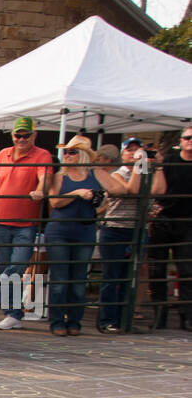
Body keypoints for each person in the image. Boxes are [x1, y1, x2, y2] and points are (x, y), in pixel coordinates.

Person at [0, 117, 52, 330]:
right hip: (2, 220)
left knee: (18, 265)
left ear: (34, 135)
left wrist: (40, 190)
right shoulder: (3, 154)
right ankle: (13, 313)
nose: (21, 139)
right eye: (18, 135)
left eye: (26, 135)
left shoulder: (42, 155)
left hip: (26, 223)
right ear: (12, 135)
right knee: (6, 267)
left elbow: (44, 177)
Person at [44, 135, 111, 337]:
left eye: (72, 151)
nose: (67, 155)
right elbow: (55, 202)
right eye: (65, 151)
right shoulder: (60, 175)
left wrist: (101, 203)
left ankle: (75, 320)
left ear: (82, 155)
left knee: (79, 279)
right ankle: (56, 321)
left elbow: (119, 190)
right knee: (60, 278)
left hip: (84, 230)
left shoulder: (95, 175)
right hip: (60, 230)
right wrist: (78, 193)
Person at [96, 140, 158, 334]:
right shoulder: (117, 173)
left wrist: (157, 166)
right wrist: (140, 165)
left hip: (138, 229)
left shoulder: (146, 171)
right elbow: (132, 190)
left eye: (137, 150)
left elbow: (157, 190)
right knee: (111, 275)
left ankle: (125, 319)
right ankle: (107, 320)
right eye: (129, 150)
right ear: (122, 154)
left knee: (130, 276)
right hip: (115, 229)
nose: (134, 153)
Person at [148, 124, 192, 330]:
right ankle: (159, 315)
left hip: (187, 222)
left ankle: (187, 315)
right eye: (186, 138)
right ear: (180, 141)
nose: (189, 141)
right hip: (164, 219)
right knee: (157, 269)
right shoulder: (169, 161)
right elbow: (158, 190)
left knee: (186, 270)